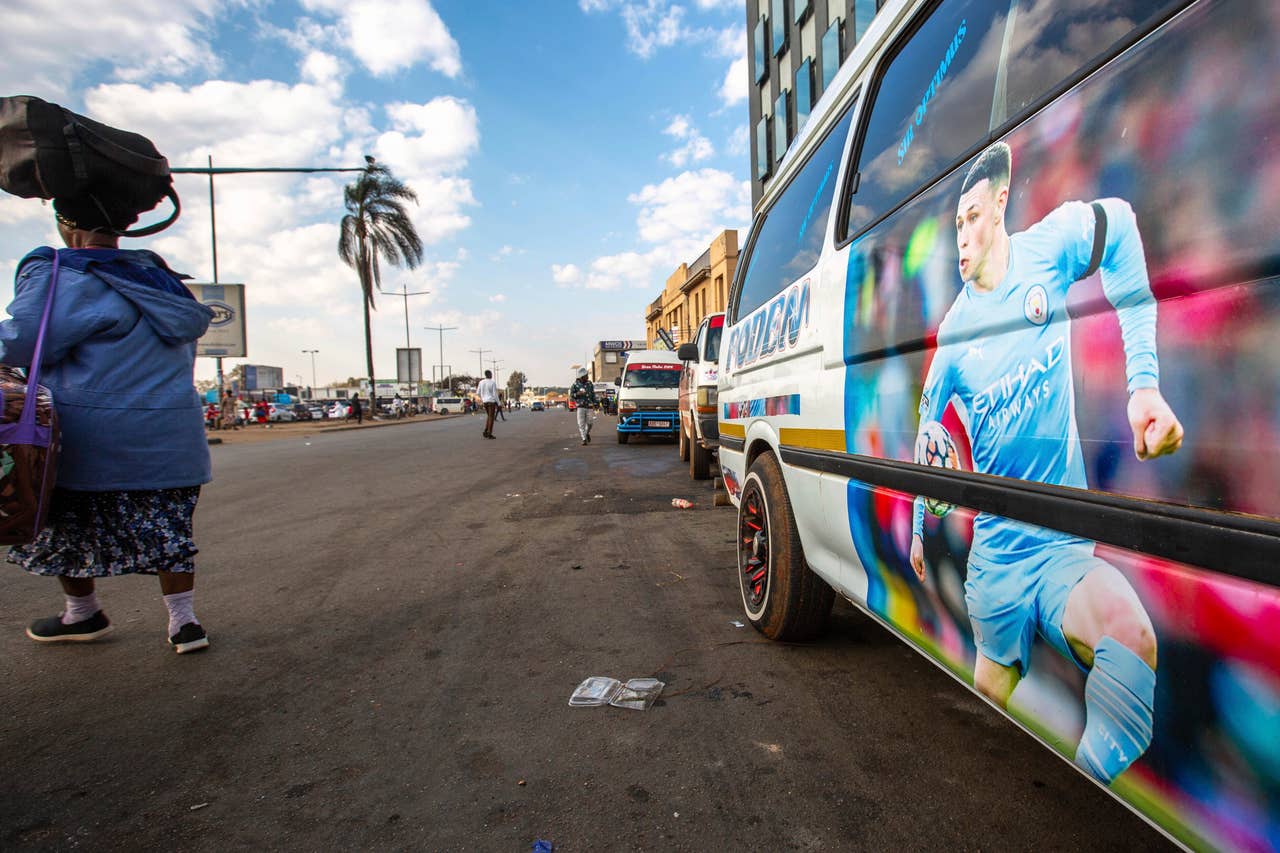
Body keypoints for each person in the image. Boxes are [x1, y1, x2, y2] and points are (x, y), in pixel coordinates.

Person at [909, 142, 1183, 784]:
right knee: (988, 709)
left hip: (1063, 545)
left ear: (1001, 204)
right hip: (997, 563)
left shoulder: (1049, 249)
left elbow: (1121, 225)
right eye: (956, 224)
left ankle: (1087, 792)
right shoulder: (953, 338)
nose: (961, 236)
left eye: (973, 218)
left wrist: (1143, 384)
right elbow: (925, 438)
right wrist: (921, 522)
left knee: (1133, 638)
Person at [2, 195, 215, 654]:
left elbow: (21, 342)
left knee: (65, 529)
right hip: (171, 438)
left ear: (67, 224)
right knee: (168, 531)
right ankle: (185, 622)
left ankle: (82, 613)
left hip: (89, 439)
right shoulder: (164, 283)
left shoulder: (63, 273)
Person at [570, 367, 597, 445]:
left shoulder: (590, 384)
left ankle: (586, 433)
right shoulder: (575, 385)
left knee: (590, 423)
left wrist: (596, 403)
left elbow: (593, 394)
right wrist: (578, 394)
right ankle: (584, 439)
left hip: (589, 406)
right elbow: (571, 396)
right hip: (580, 407)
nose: (587, 377)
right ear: (582, 377)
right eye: (586, 376)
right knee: (581, 424)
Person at [478, 369, 499, 439]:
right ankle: (489, 433)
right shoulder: (492, 382)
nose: (492, 375)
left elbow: (478, 393)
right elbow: (495, 394)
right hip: (491, 402)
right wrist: (499, 403)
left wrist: (483, 398)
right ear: (489, 374)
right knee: (491, 417)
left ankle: (486, 431)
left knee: (489, 416)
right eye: (491, 374)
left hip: (485, 402)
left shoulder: (481, 382)